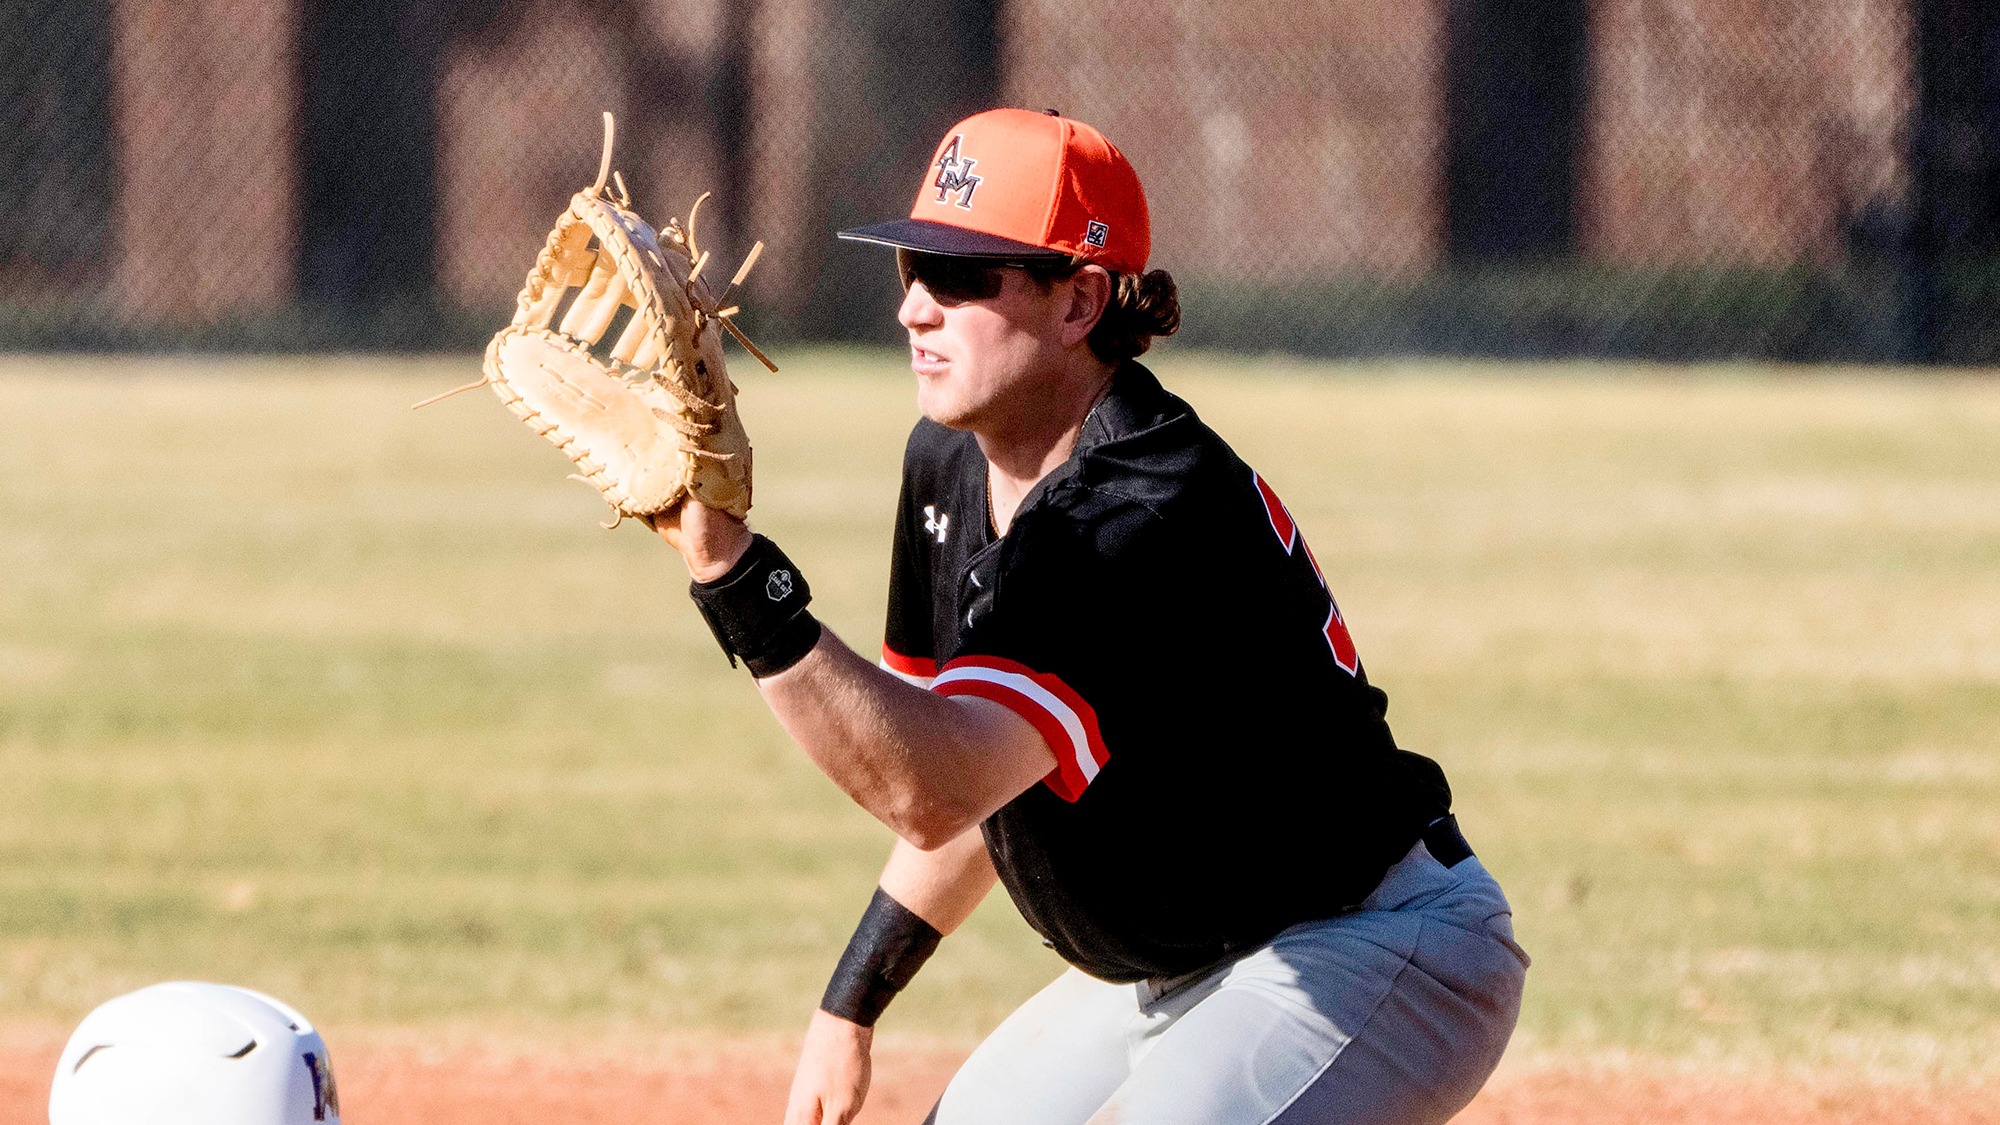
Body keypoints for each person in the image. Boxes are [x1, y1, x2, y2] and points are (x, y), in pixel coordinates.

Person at [653, 107, 1529, 1125]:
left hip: (1371, 943)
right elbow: (976, 773)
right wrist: (849, 1004)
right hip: (1176, 966)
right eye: (911, 271)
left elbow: (927, 787)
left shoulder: (1132, 512)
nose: (915, 310)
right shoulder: (946, 461)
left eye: (962, 277)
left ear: (1078, 302)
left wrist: (728, 572)